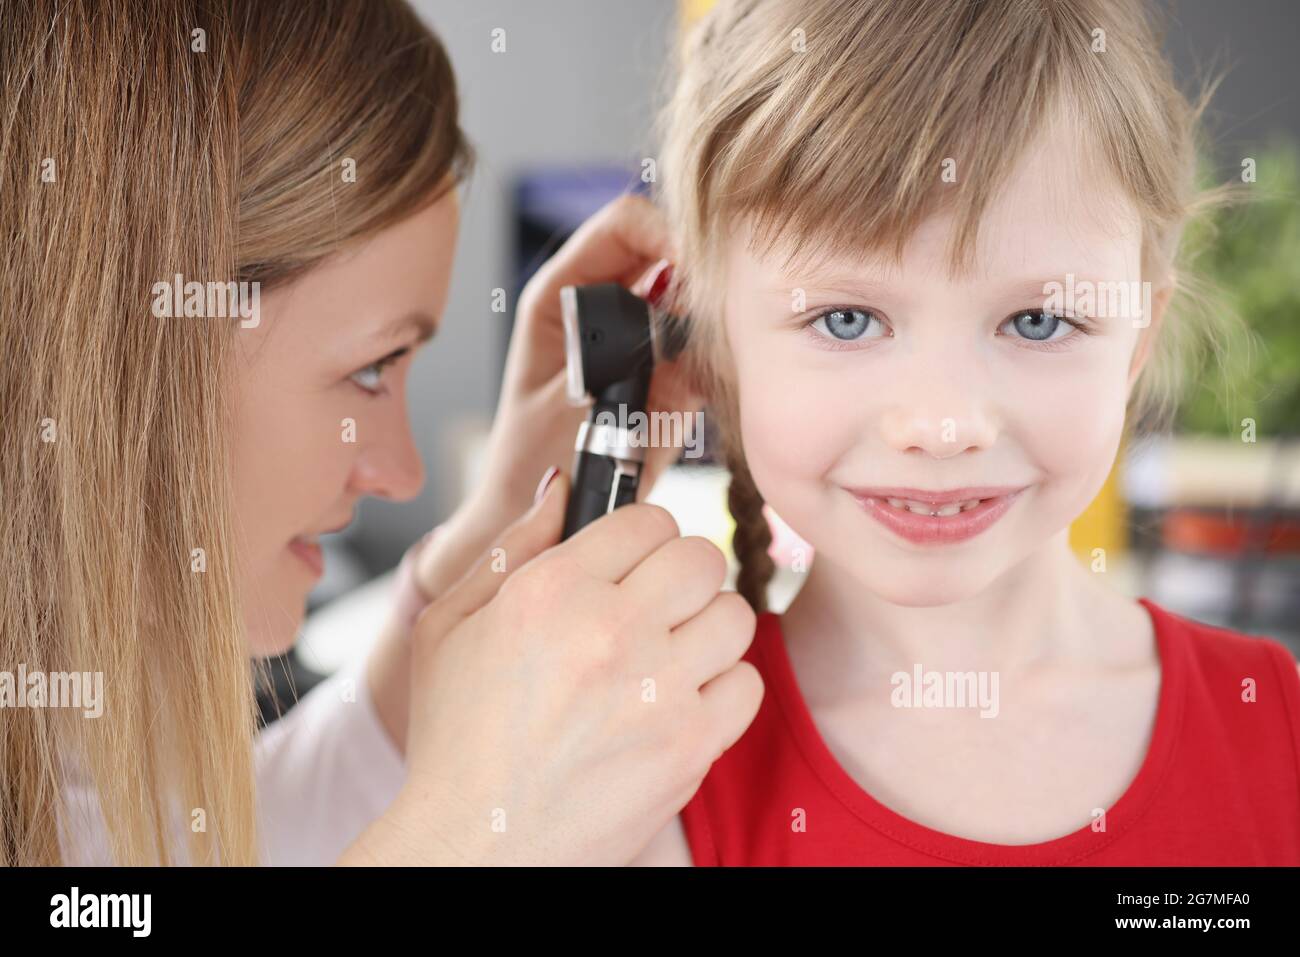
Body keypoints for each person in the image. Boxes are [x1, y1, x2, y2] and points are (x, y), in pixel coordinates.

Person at [0, 0, 761, 866]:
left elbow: (246, 835)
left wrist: (509, 513)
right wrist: (466, 836)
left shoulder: (72, 742)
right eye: (370, 367)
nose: (401, 475)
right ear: (125, 351)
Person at [632, 0, 1300, 865]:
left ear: (1138, 341)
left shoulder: (1275, 724)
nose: (942, 426)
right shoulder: (653, 773)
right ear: (712, 343)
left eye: (1037, 321)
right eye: (844, 319)